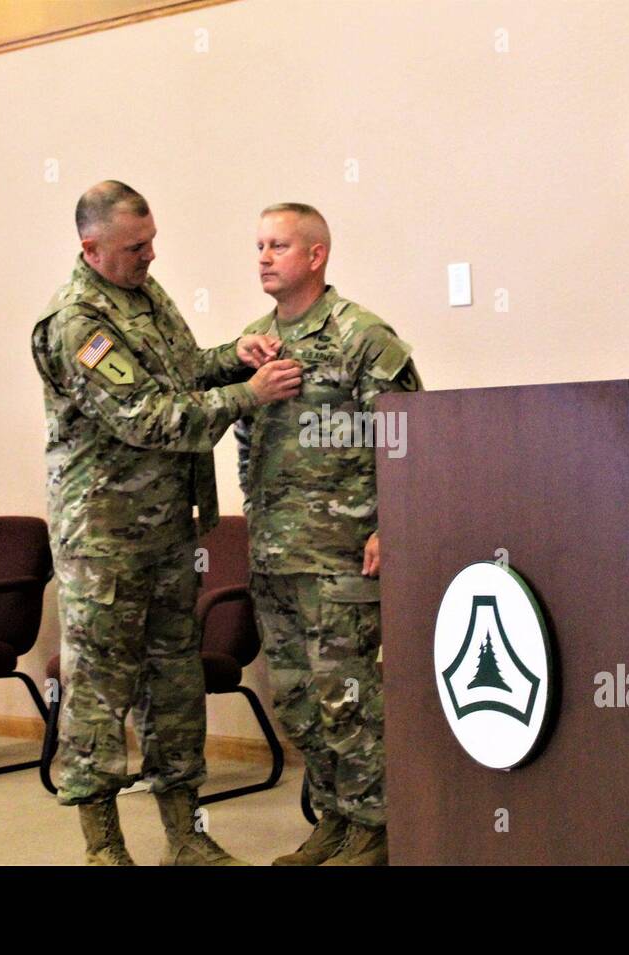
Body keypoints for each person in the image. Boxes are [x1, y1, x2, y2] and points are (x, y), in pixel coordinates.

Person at [31, 181, 301, 866]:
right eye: (134, 247)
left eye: (151, 241)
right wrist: (249, 395)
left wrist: (231, 355)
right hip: (105, 543)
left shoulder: (142, 296)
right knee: (100, 690)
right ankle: (103, 845)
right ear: (90, 248)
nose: (150, 255)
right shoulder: (74, 323)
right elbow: (149, 417)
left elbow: (179, 375)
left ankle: (186, 832)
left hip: (166, 535)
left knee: (175, 685)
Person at [236, 203, 421, 865]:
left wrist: (390, 523)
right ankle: (335, 821)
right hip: (276, 556)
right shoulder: (257, 343)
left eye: (278, 245)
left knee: (348, 699)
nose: (263, 256)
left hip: (342, 555)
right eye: (259, 244)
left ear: (316, 255)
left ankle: (377, 830)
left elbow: (407, 435)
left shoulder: (359, 335)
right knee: (296, 700)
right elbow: (246, 444)